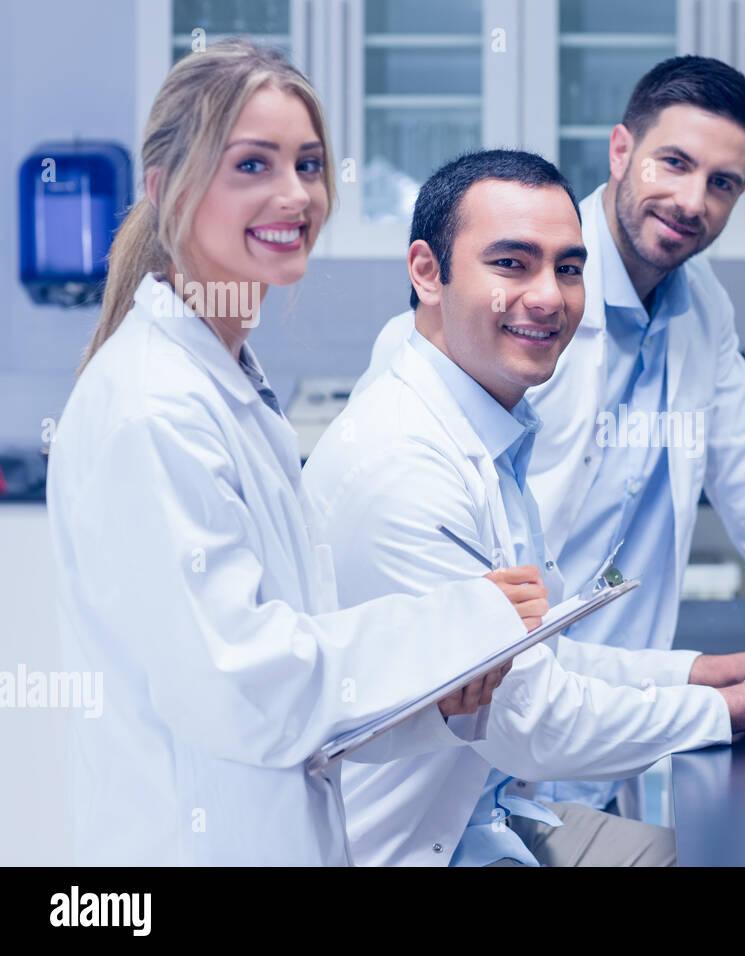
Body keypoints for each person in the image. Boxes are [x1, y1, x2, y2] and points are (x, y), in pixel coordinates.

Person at [355, 56, 745, 815]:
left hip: (611, 713)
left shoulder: (699, 306)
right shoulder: (502, 316)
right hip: (489, 745)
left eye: (722, 183)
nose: (691, 201)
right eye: (674, 162)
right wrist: (733, 698)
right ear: (621, 151)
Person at [302, 149, 745, 866]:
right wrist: (739, 708)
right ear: (426, 271)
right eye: (512, 264)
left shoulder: (486, 432)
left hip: (493, 818)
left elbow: (540, 667)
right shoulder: (408, 471)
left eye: (569, 268)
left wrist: (719, 670)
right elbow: (531, 723)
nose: (549, 296)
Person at [45, 40, 532, 866]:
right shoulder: (154, 405)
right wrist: (462, 619)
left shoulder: (224, 378)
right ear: (166, 192)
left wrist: (438, 700)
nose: (294, 193)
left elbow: (294, 693)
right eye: (252, 165)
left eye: (308, 164)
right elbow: (246, 689)